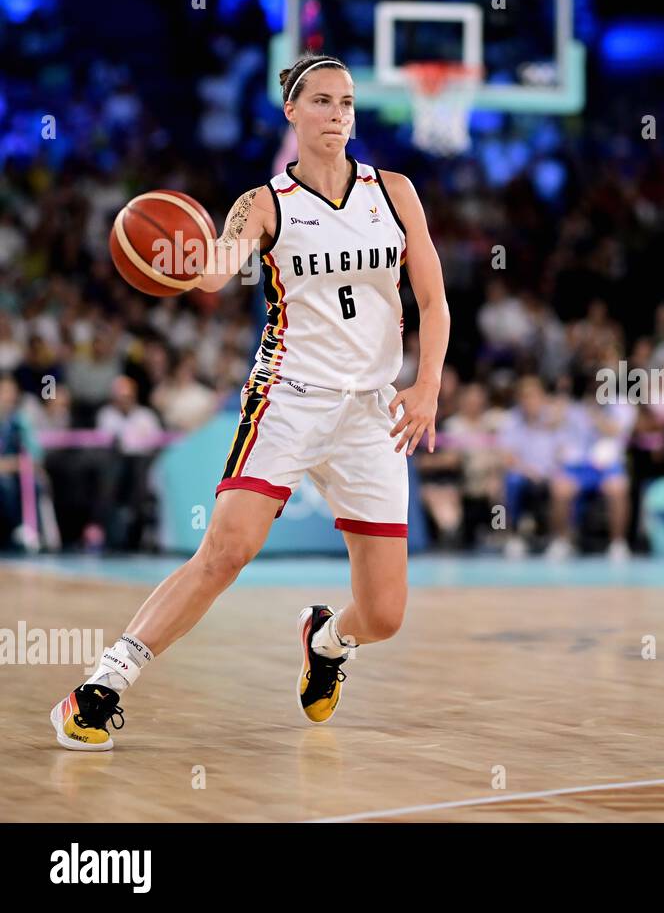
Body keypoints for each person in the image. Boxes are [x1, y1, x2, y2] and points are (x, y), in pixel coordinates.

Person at [51, 53, 451, 750]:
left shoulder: (395, 192)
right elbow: (214, 271)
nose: (337, 115)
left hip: (371, 411)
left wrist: (428, 387)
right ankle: (101, 686)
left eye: (346, 102)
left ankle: (326, 641)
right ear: (291, 110)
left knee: (385, 616)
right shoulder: (264, 203)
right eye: (321, 101)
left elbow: (434, 300)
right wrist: (176, 255)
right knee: (226, 552)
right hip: (288, 398)